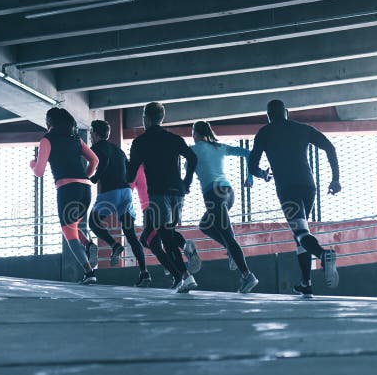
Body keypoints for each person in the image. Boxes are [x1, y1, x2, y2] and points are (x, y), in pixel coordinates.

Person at [249, 99, 341, 298]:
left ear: (268, 115)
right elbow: (330, 147)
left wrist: (263, 175)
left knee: (300, 232)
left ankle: (323, 255)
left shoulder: (264, 132)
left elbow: (252, 166)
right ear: (287, 113)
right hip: (309, 187)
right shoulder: (303, 128)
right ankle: (306, 283)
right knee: (300, 234)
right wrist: (335, 179)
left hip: (287, 189)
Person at [127, 102, 199, 293]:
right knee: (167, 233)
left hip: (158, 194)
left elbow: (130, 175)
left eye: (143, 116)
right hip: (178, 193)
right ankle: (183, 258)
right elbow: (192, 158)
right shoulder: (173, 139)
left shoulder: (140, 142)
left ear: (147, 118)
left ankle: (185, 276)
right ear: (161, 118)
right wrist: (187, 182)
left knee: (165, 237)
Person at [31, 107, 100, 285]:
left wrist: (32, 163)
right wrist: (85, 177)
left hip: (67, 189)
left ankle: (89, 272)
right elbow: (94, 160)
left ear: (49, 123)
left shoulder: (47, 140)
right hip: (85, 189)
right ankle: (89, 245)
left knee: (68, 233)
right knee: (73, 226)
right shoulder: (76, 139)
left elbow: (39, 172)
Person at [190, 121, 259, 294]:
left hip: (213, 194)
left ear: (195, 133)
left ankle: (247, 275)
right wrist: (250, 176)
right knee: (205, 224)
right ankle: (231, 253)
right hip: (228, 193)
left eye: (192, 132)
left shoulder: (193, 149)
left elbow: (187, 170)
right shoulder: (220, 147)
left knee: (228, 236)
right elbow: (249, 153)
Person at [87, 120, 152, 288]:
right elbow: (130, 170)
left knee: (93, 222)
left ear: (95, 133)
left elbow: (104, 161)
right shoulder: (119, 150)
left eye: (91, 132)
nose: (90, 135)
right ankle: (144, 273)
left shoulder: (96, 148)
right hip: (126, 193)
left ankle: (115, 245)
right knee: (130, 234)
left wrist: (94, 178)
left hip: (110, 192)